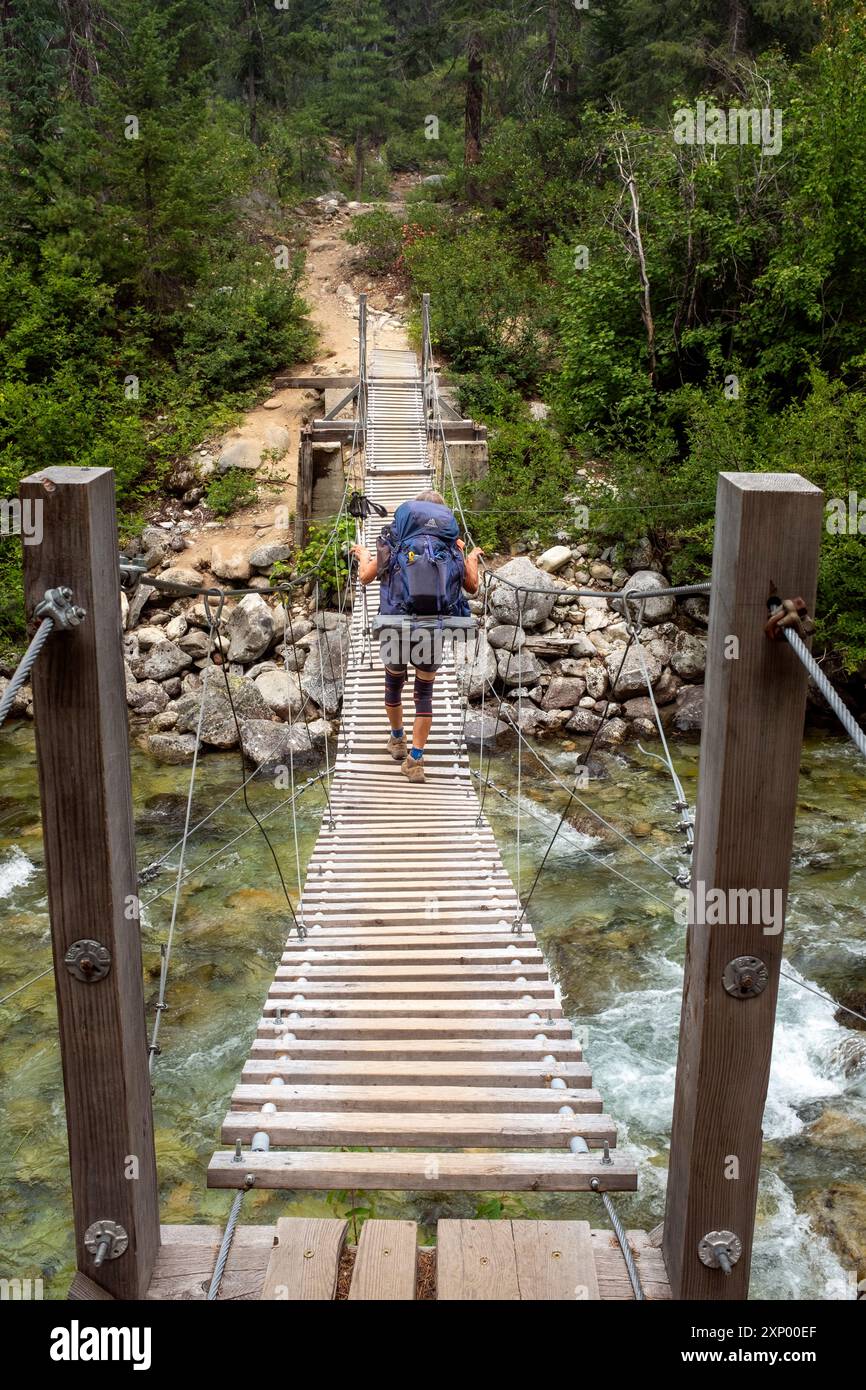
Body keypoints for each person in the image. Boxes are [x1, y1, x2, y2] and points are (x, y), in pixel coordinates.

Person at [351, 490, 483, 783]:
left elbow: (365, 577)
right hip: (432, 627)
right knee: (424, 694)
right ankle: (416, 760)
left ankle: (397, 739)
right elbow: (471, 587)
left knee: (393, 685)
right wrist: (471, 557)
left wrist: (363, 555)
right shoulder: (451, 545)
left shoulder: (392, 540)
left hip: (396, 624)